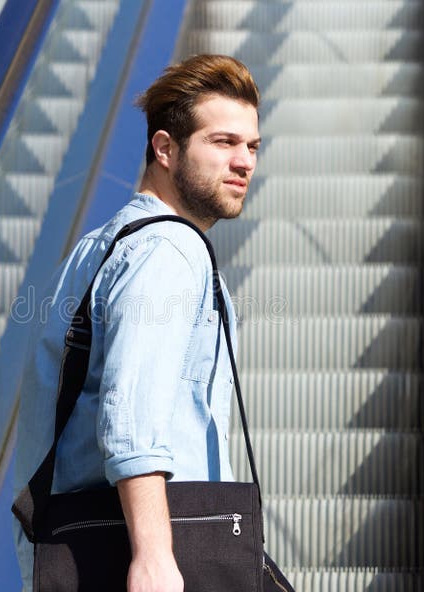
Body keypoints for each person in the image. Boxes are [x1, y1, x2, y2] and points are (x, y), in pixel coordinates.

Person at [15, 54, 292, 592]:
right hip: (144, 556)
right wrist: (153, 555)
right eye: (222, 142)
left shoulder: (96, 249)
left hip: (77, 545)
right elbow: (132, 412)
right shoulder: (168, 248)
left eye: (252, 146)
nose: (245, 162)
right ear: (165, 148)